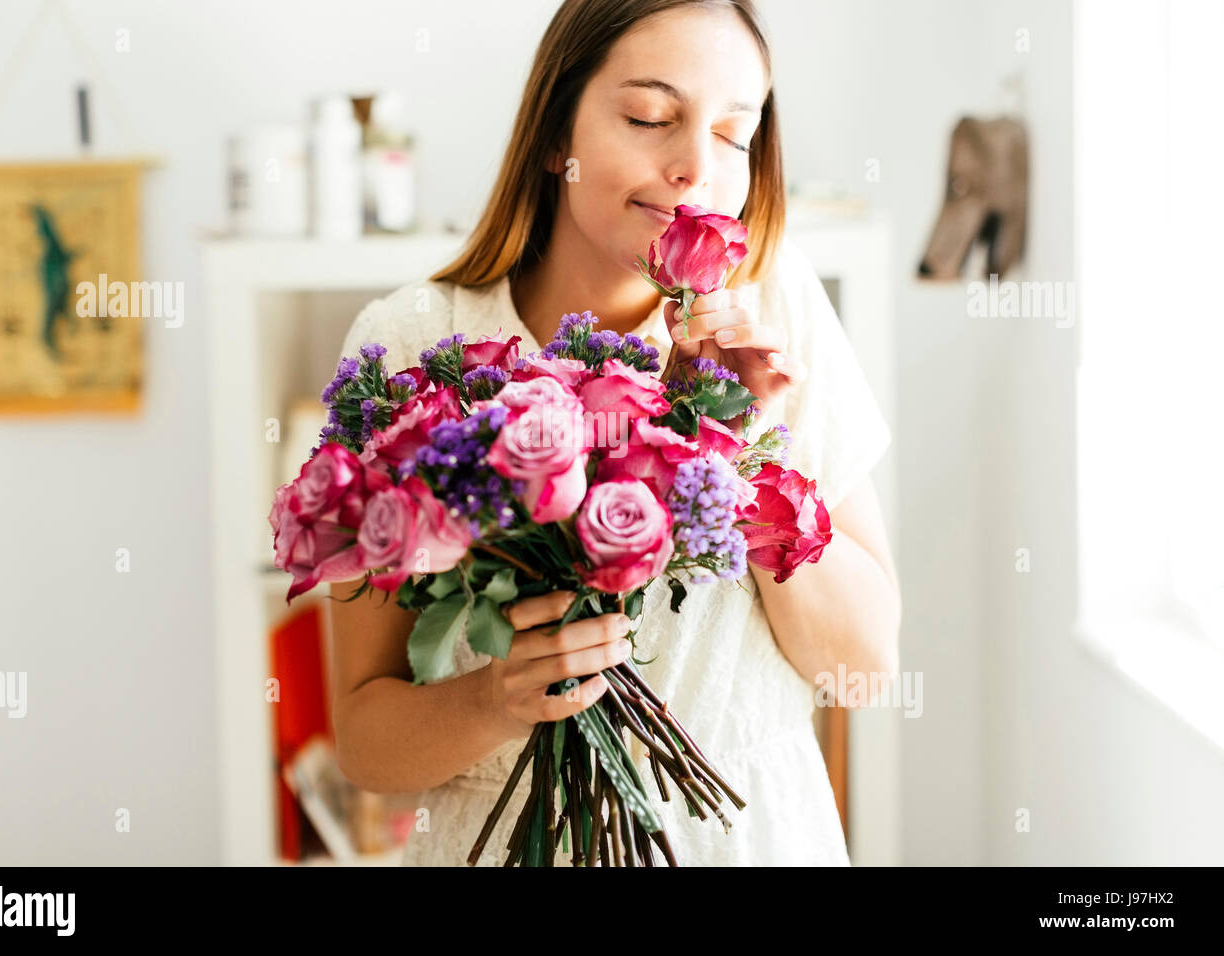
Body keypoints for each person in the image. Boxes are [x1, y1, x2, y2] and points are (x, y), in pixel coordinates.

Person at [329, 0, 901, 866]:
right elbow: (368, 745)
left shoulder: (774, 310)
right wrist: (496, 699)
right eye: (649, 118)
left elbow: (864, 664)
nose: (695, 170)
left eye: (734, 135)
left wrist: (740, 450)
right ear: (558, 131)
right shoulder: (413, 340)